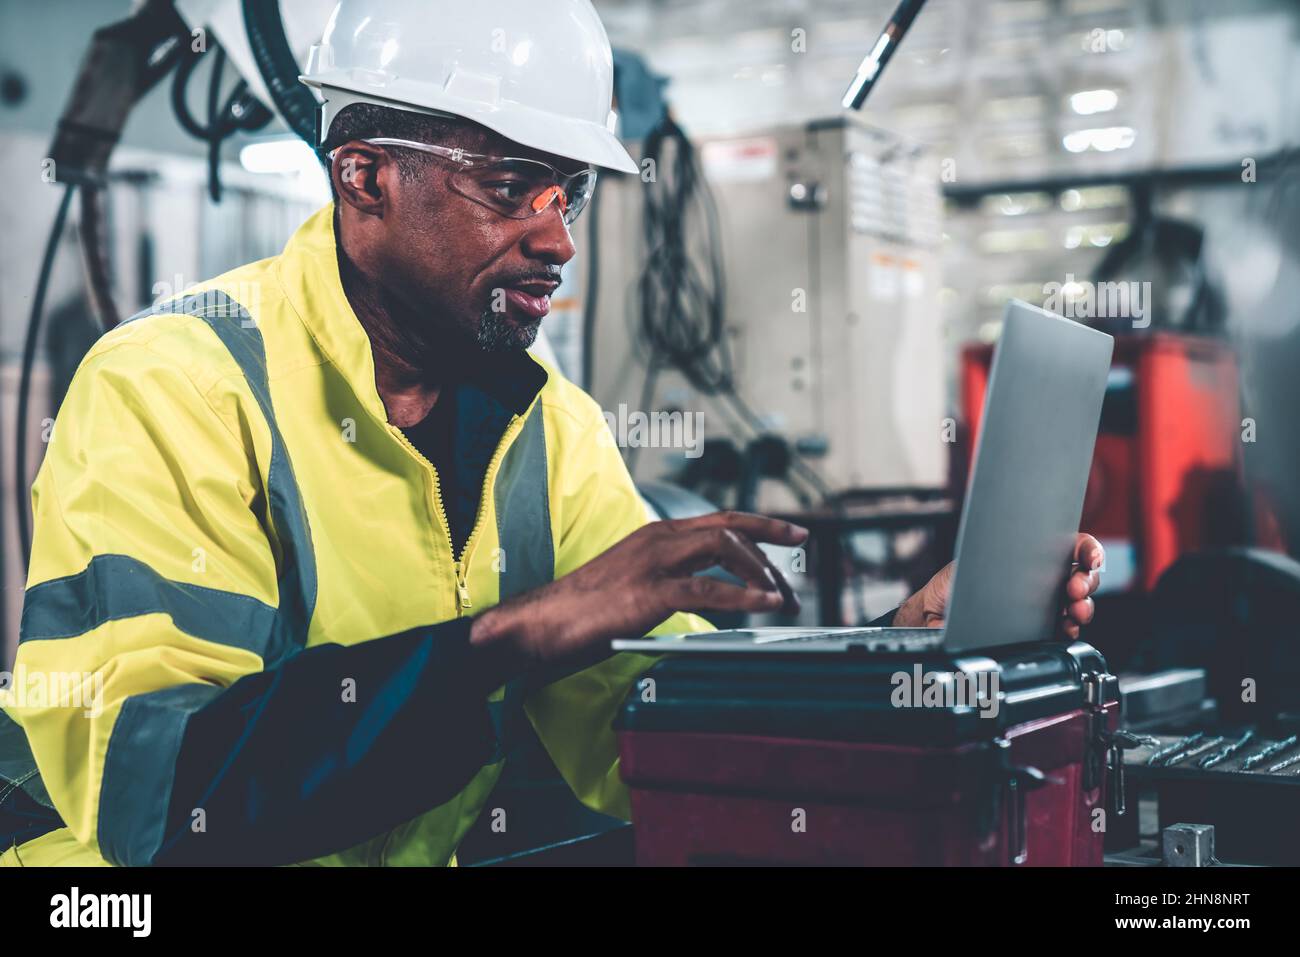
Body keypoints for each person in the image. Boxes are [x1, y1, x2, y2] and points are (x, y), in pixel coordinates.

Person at [0, 0, 1100, 866]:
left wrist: (892, 654)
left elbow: (653, 730)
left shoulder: (545, 426)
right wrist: (511, 636)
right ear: (365, 178)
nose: (557, 241)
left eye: (566, 196)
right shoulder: (175, 383)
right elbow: (166, 802)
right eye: (510, 187)